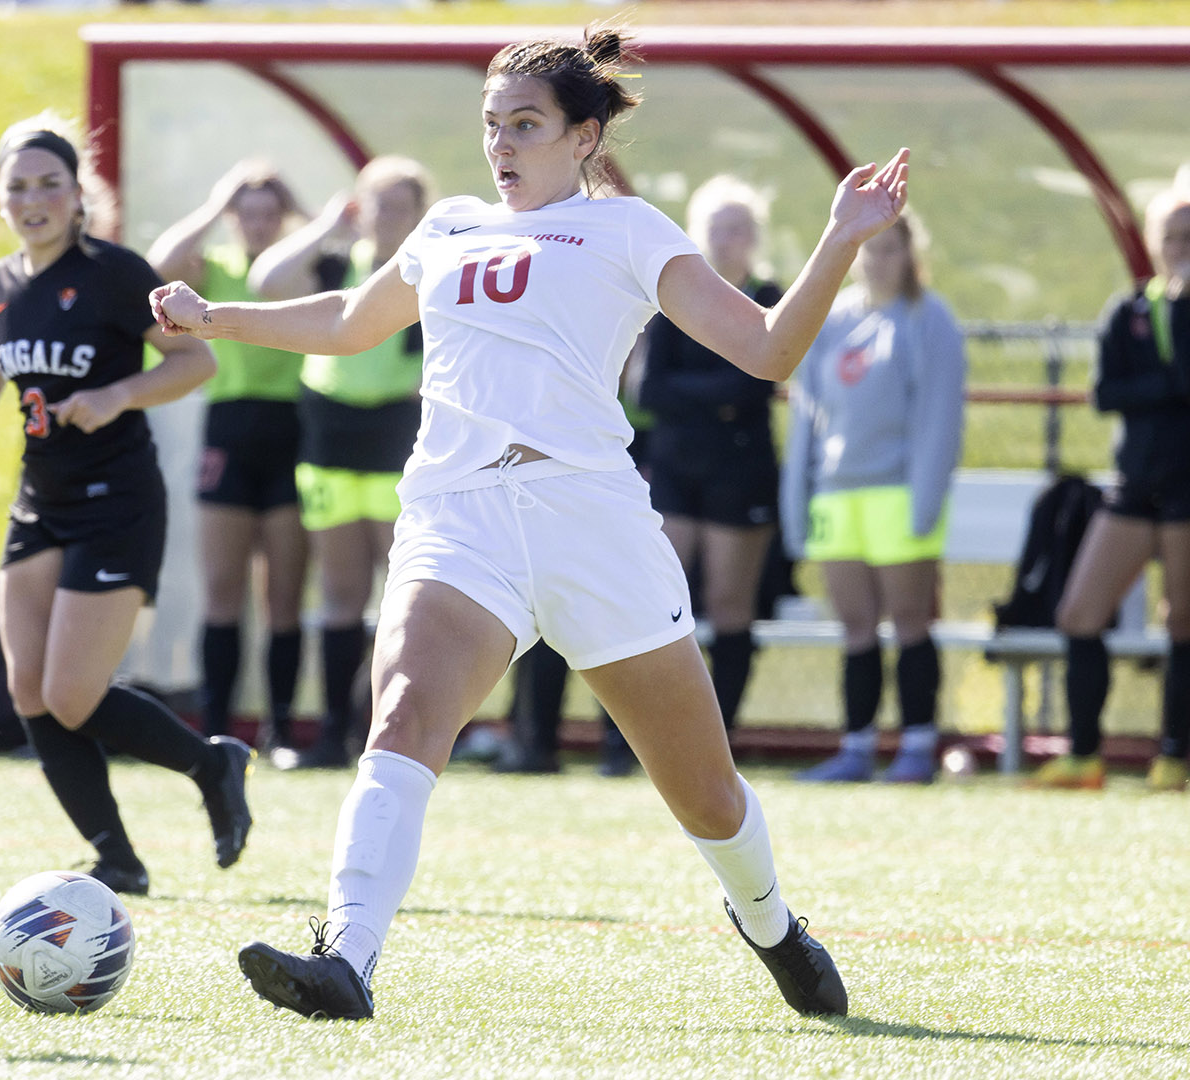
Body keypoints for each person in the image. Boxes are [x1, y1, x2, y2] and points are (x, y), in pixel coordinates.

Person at [153, 30, 909, 1020]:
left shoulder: (631, 231)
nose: (501, 144)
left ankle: (769, 922)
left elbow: (766, 352)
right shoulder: (451, 225)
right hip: (460, 517)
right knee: (404, 716)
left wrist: (840, 237)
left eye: (525, 125)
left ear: (585, 136)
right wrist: (216, 315)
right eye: (490, 125)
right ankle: (346, 958)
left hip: (592, 524)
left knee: (708, 797)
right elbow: (346, 323)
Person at [0, 115, 253, 897]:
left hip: (117, 501)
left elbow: (194, 359)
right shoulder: (2, 282)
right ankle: (118, 858)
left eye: (50, 184)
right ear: (0, 198)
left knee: (72, 693)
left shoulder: (114, 272)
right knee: (29, 691)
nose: (33, 198)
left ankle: (211, 763)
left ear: (79, 196)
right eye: (19, 186)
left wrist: (115, 395)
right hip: (39, 500)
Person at [246, 156, 435, 770]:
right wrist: (324, 224)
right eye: (377, 204)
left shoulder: (427, 275)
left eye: (402, 207)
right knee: (340, 596)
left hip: (395, 447)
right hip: (330, 448)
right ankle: (331, 732)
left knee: (401, 597)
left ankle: (386, 732)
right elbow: (265, 282)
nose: (388, 218)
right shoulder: (333, 266)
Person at [1036, 191, 1190, 793]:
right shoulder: (1127, 310)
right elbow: (1105, 394)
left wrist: (1184, 333)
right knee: (1079, 614)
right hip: (1134, 488)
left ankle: (1172, 759)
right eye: (1172, 236)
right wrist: (1170, 389)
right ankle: (1085, 755)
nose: (1182, 248)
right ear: (1154, 242)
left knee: (1183, 623)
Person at [783, 213, 966, 785]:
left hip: (899, 496)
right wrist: (799, 497)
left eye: (890, 249)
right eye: (869, 249)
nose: (877, 260)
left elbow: (940, 417)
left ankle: (917, 746)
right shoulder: (833, 321)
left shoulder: (928, 319)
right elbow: (806, 418)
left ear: (911, 254)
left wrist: (925, 500)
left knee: (910, 622)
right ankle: (856, 747)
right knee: (857, 627)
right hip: (839, 497)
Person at [146, 162, 309, 753]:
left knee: (283, 595)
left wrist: (305, 218)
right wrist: (217, 205)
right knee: (223, 589)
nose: (259, 226)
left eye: (271, 214)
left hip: (290, 428)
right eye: (249, 215)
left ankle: (281, 728)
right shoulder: (212, 269)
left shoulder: (293, 270)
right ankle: (216, 727)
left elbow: (347, 270)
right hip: (229, 431)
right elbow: (160, 264)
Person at [641, 176, 784, 734]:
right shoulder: (674, 298)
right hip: (677, 467)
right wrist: (718, 394)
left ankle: (720, 733)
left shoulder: (771, 298)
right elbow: (651, 392)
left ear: (754, 237)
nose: (726, 241)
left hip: (741, 471)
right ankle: (649, 732)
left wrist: (698, 394)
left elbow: (757, 382)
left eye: (738, 229)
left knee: (729, 602)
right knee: (663, 599)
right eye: (716, 229)